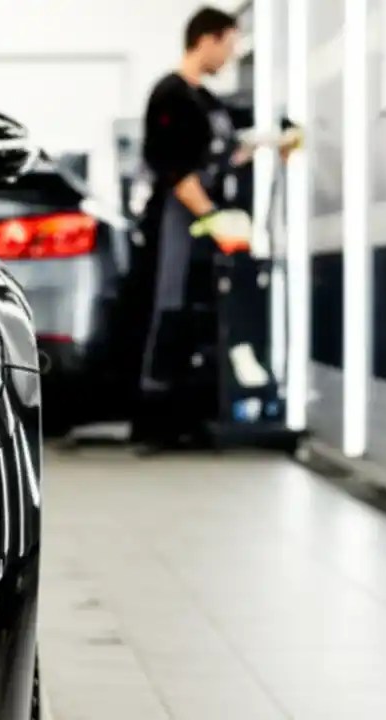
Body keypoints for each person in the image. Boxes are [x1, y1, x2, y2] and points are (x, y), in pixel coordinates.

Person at [133, 7, 249, 449]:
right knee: (171, 306)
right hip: (179, 222)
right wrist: (211, 216)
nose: (231, 53)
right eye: (230, 43)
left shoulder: (210, 102)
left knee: (200, 312)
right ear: (207, 39)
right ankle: (157, 421)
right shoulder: (171, 95)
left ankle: (190, 414)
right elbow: (176, 170)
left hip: (206, 224)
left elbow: (223, 155)